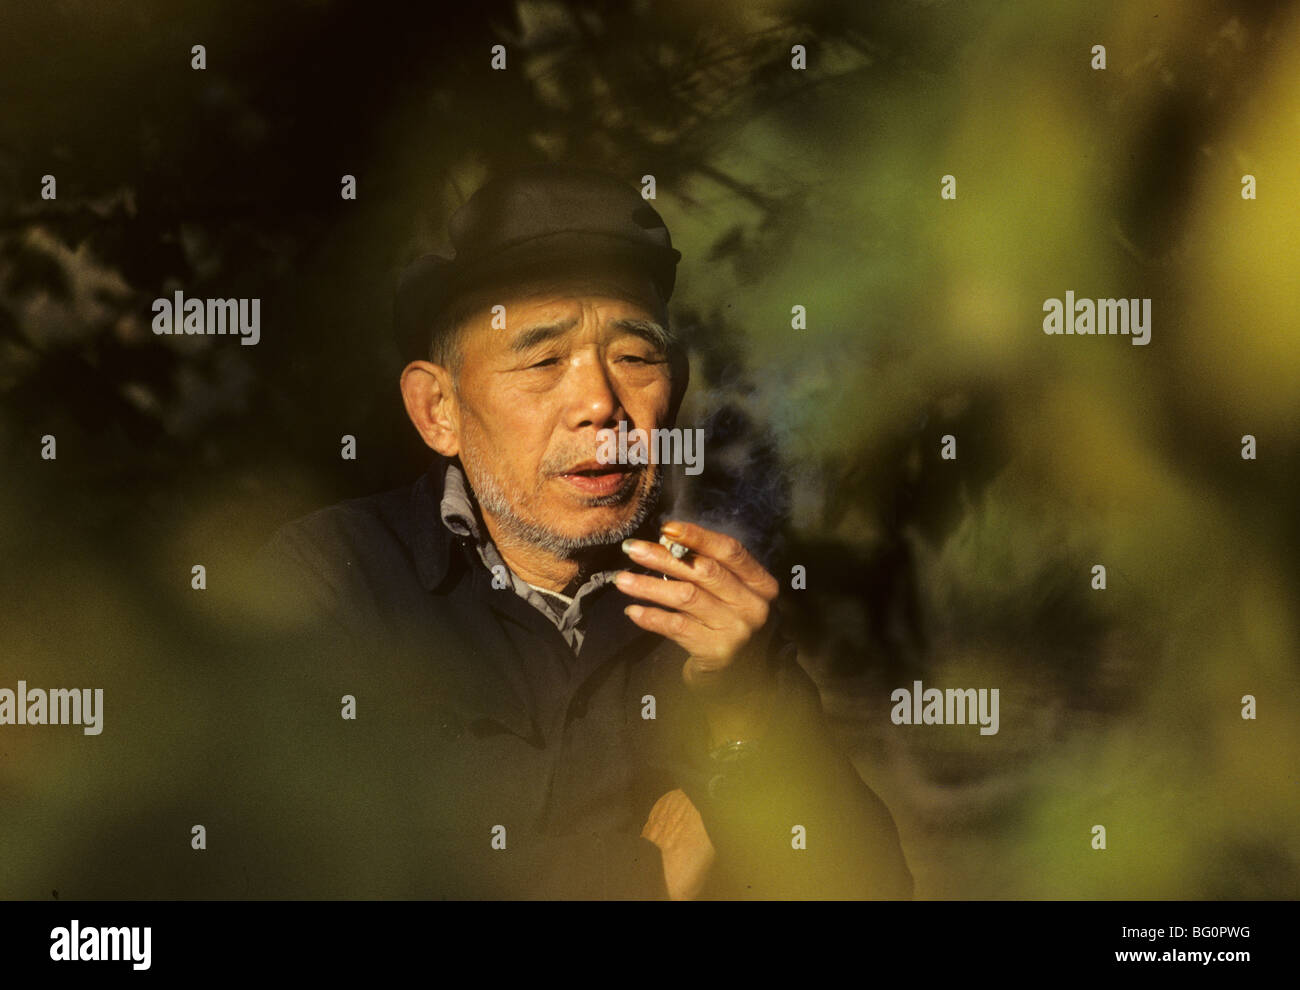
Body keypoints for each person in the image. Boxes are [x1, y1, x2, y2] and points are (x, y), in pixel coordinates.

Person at [253, 164, 912, 900]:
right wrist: (644, 876)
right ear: (438, 409)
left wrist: (747, 711)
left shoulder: (707, 606)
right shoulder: (336, 579)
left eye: (635, 357)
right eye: (543, 360)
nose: (601, 402)